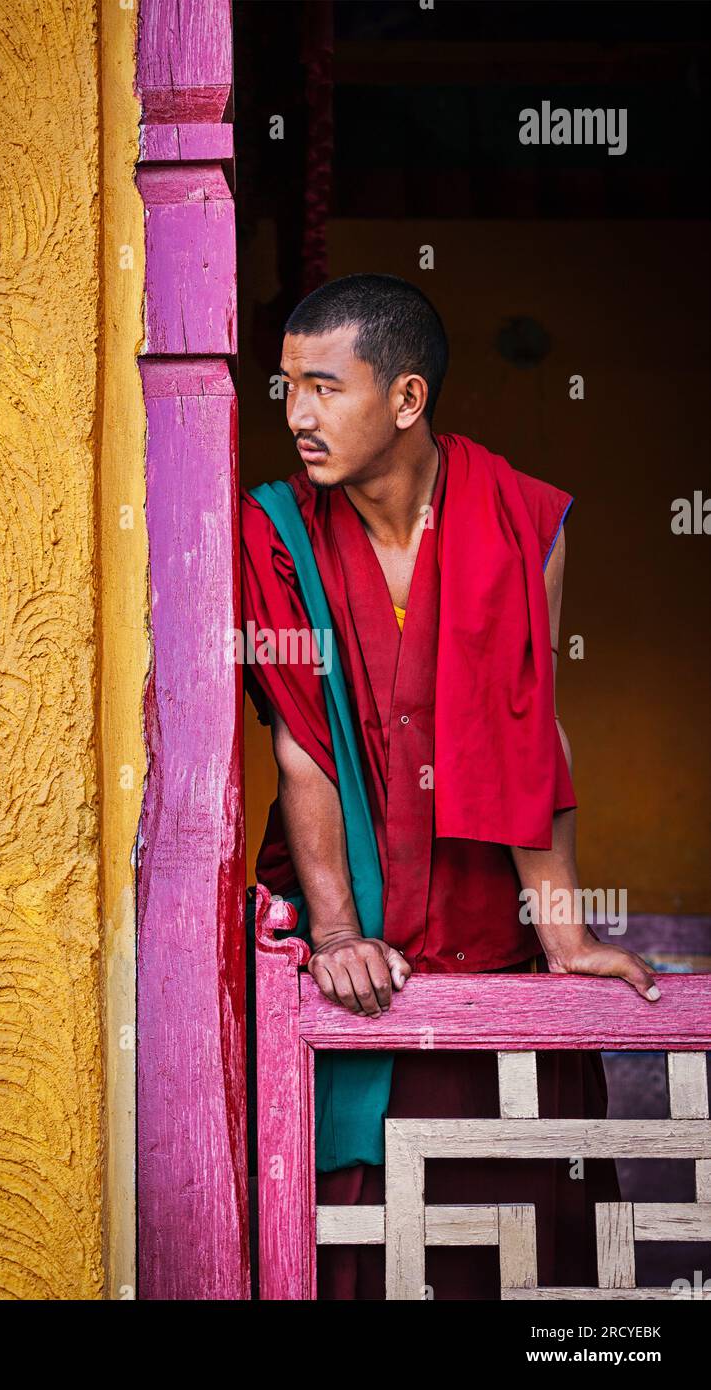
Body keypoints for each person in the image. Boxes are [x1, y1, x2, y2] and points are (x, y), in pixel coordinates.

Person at [240, 273, 659, 1300]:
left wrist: (561, 931)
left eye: (324, 387)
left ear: (406, 399)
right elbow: (305, 747)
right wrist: (336, 934)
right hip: (347, 915)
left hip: (486, 925)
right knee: (352, 1231)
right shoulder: (275, 532)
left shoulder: (519, 518)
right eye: (286, 387)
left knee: (506, 1220)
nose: (297, 415)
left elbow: (526, 720)